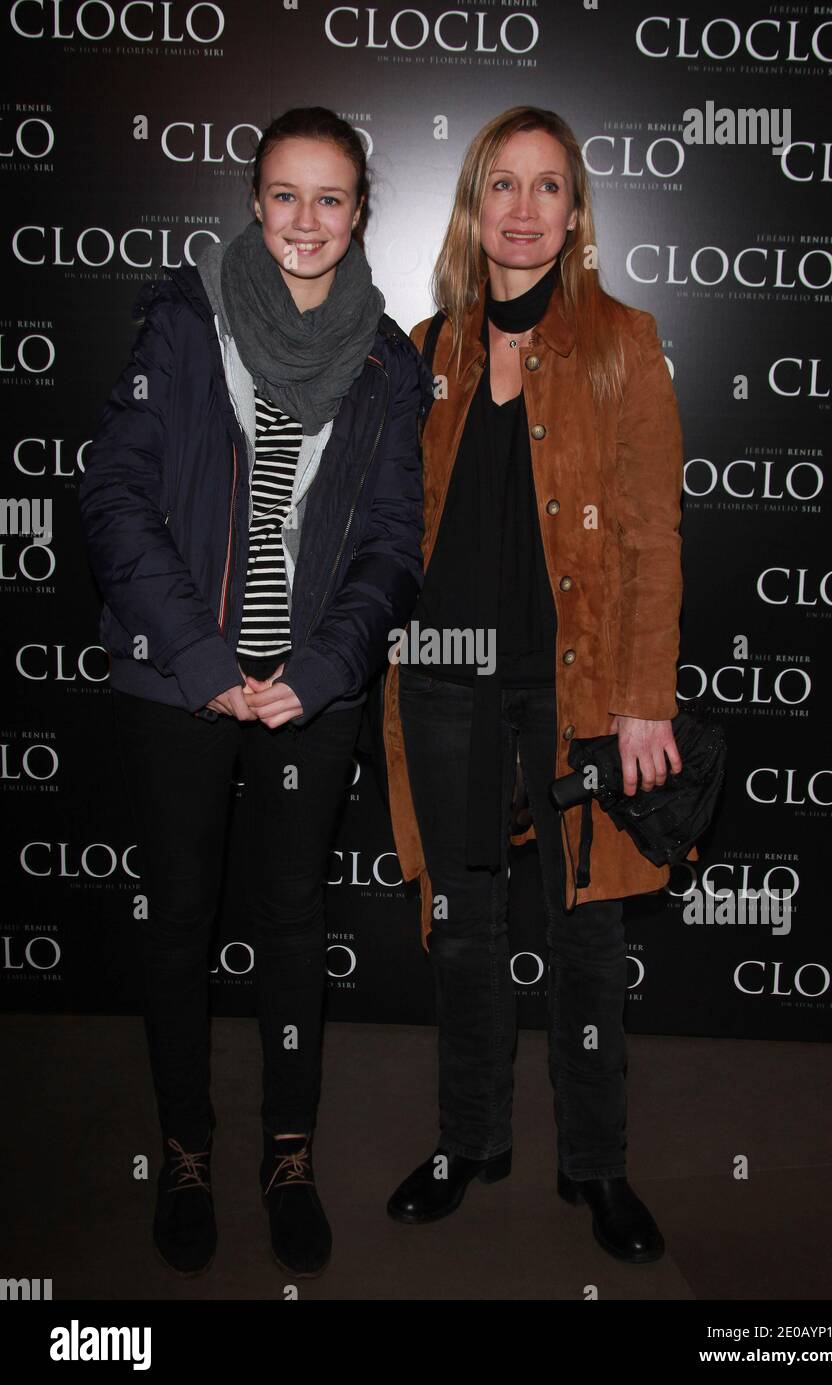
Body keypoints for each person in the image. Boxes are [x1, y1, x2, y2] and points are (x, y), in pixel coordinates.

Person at [79, 106, 428, 1279]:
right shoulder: (183, 321)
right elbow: (115, 500)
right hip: (178, 684)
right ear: (252, 200)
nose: (304, 221)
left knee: (290, 927)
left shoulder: (388, 359)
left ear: (360, 211)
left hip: (308, 698)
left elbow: (389, 541)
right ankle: (185, 1151)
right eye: (284, 194)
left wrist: (317, 672)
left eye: (330, 198)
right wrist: (206, 662)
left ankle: (288, 1153)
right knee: (177, 925)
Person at [382, 105, 693, 1262]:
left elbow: (654, 537)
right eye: (500, 185)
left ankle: (595, 1168)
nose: (522, 209)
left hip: (575, 696)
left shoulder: (623, 342)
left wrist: (643, 698)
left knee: (586, 945)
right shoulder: (424, 350)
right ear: (474, 206)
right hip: (446, 690)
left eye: (546, 186)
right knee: (460, 931)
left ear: (575, 212)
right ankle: (469, 1142)